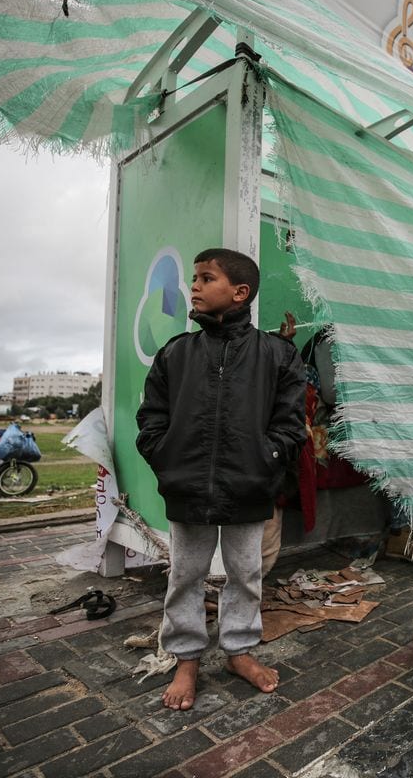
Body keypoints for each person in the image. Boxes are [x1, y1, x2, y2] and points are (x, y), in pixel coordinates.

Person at [136, 248, 306, 711]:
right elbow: (151, 419)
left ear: (239, 292)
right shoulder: (176, 354)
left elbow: (291, 426)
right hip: (187, 487)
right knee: (185, 574)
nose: (194, 285)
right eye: (194, 277)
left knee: (245, 574)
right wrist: (167, 459)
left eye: (205, 278)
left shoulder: (278, 355)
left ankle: (239, 651)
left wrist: (264, 459)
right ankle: (187, 658)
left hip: (249, 488)